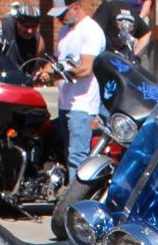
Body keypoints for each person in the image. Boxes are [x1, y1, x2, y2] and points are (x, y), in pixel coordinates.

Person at [45, 0, 106, 167]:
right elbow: (58, 60)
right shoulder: (64, 31)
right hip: (65, 102)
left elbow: (86, 69)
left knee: (77, 156)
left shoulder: (91, 30)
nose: (59, 19)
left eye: (62, 14)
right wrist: (44, 72)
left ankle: (77, 193)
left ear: (76, 7)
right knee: (66, 153)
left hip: (83, 104)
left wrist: (59, 74)